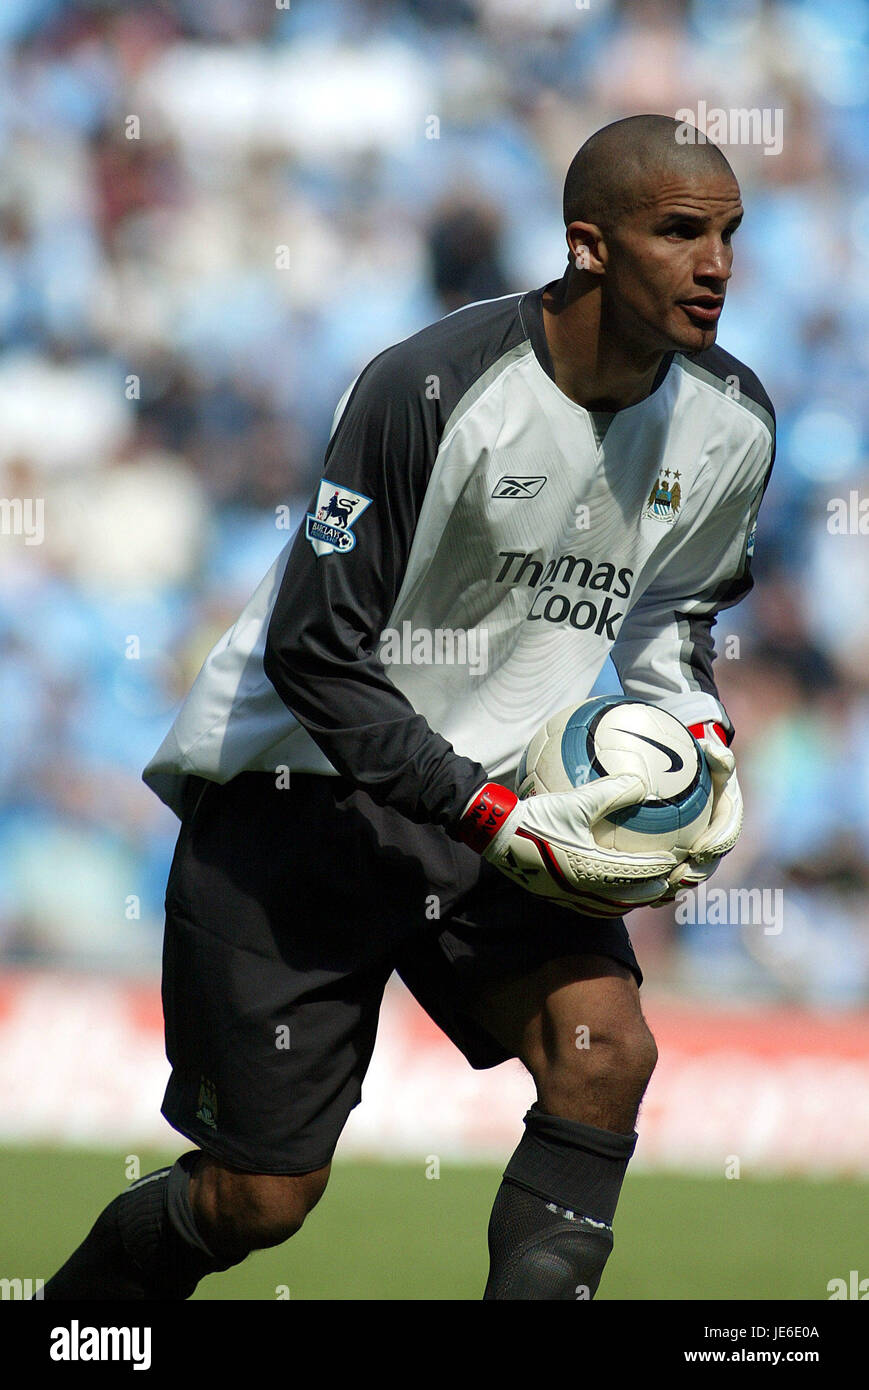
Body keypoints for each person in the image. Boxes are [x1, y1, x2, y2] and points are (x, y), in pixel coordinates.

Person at [43, 114, 774, 1301]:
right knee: (258, 1199)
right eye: (679, 232)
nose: (715, 264)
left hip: (494, 805)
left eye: (729, 234)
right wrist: (483, 809)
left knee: (603, 1056)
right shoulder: (427, 386)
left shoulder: (730, 422)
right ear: (589, 246)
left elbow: (673, 615)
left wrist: (692, 734)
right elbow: (314, 651)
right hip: (296, 798)